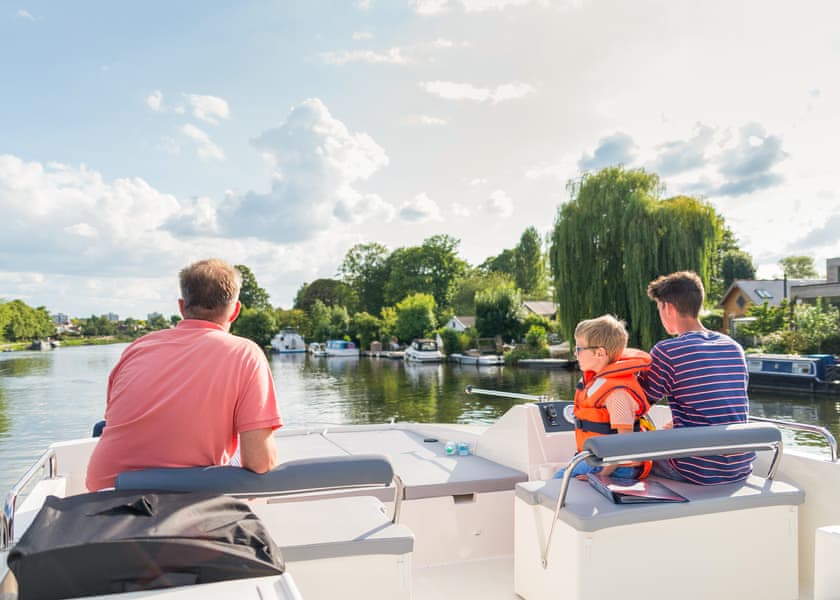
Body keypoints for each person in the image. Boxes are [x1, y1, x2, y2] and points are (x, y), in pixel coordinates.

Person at [86, 259, 281, 491]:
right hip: (183, 494)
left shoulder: (137, 348)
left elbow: (114, 417)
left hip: (103, 491)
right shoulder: (245, 353)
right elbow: (260, 463)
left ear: (181, 307)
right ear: (235, 311)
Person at [642, 270, 753, 485]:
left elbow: (638, 405)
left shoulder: (668, 351)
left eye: (659, 309)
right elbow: (719, 403)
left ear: (668, 307)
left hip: (695, 471)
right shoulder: (733, 347)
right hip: (740, 467)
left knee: (624, 463)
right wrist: (679, 422)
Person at [554, 315, 653, 480]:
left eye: (579, 349)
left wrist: (601, 475)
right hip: (599, 459)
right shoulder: (597, 381)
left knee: (558, 480)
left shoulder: (617, 393)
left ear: (600, 353)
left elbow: (624, 441)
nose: (575, 353)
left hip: (618, 468)